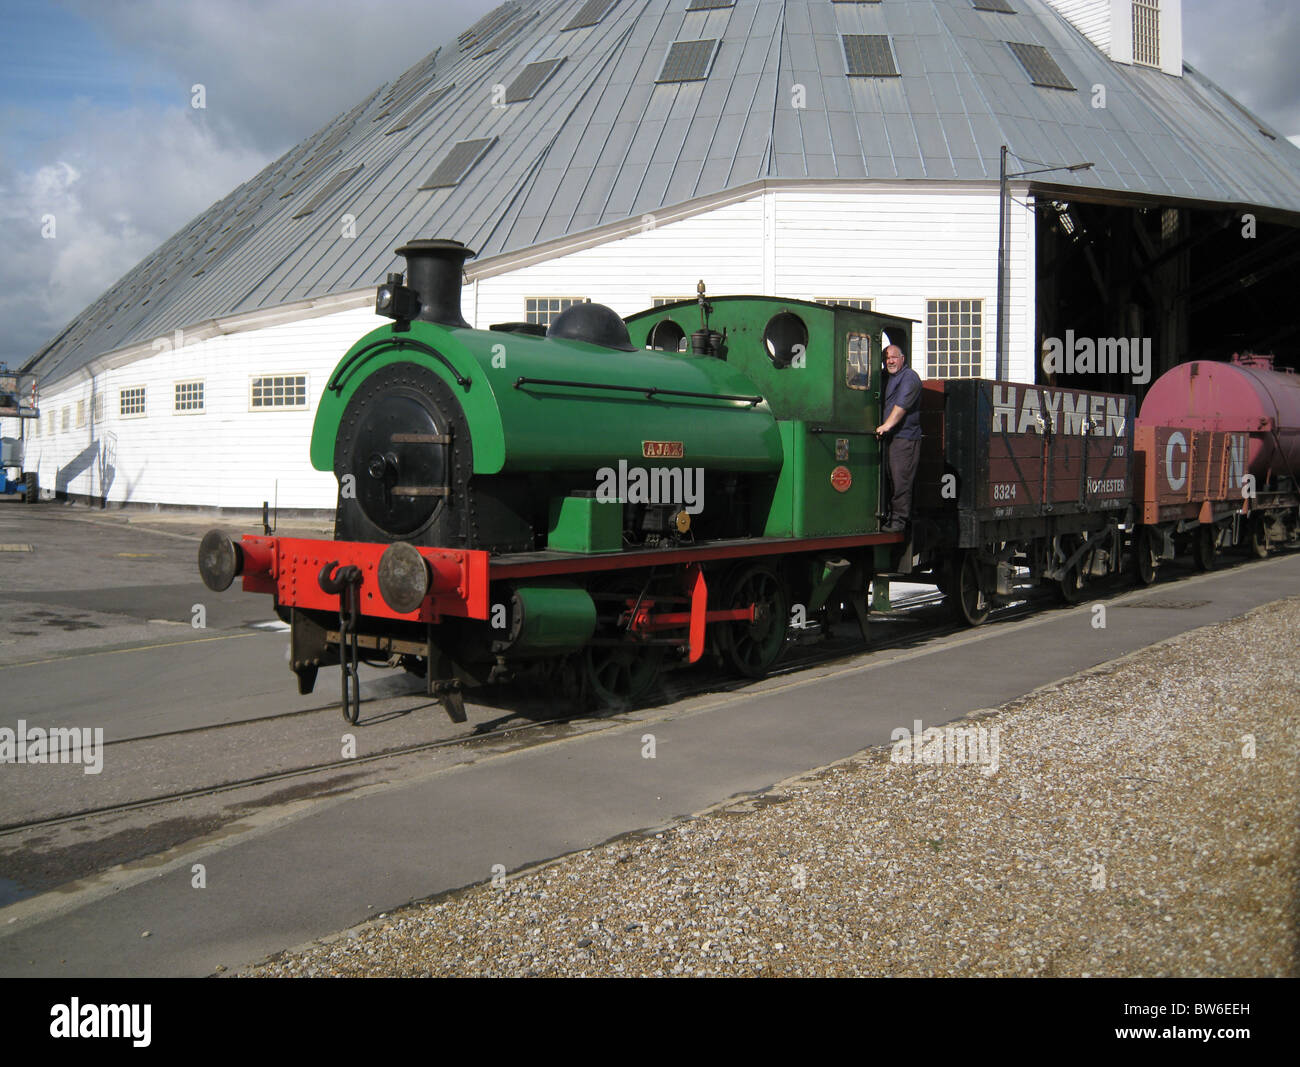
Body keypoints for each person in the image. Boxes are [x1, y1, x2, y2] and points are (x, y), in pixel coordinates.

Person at [875, 344, 922, 533]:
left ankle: (899, 522)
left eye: (894, 357)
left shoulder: (909, 378)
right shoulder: (887, 378)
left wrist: (886, 425)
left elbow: (901, 406)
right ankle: (887, 517)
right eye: (887, 358)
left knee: (900, 480)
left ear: (903, 358)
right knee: (888, 479)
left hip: (904, 438)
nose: (890, 361)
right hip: (889, 437)